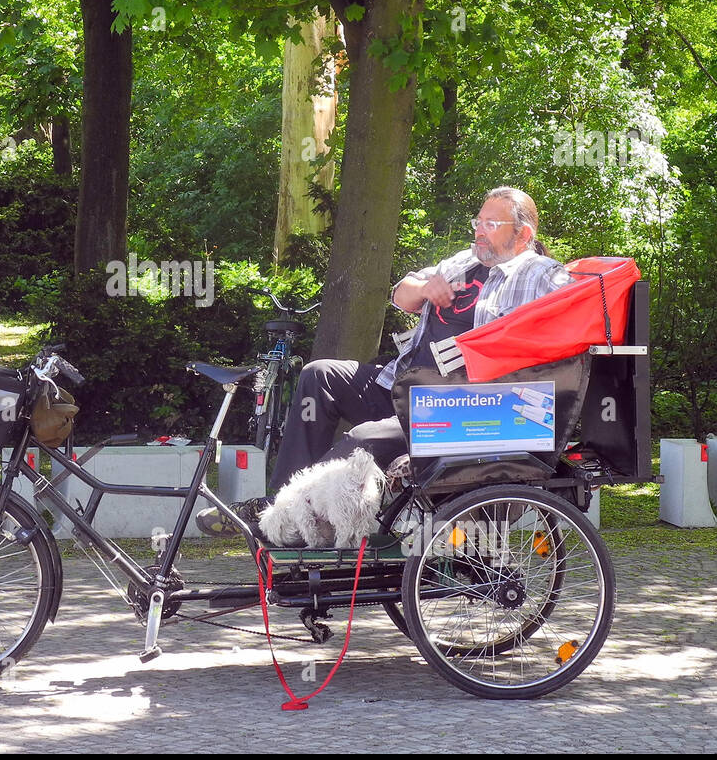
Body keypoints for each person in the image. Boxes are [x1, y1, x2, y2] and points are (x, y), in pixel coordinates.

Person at [198, 186, 573, 536]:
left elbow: (575, 316)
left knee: (362, 439)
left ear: (523, 236)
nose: (479, 231)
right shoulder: (463, 261)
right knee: (319, 374)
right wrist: (425, 288)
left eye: (492, 224)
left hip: (453, 408)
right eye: (478, 222)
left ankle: (285, 513)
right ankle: (282, 502)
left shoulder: (539, 274)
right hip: (398, 383)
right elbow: (402, 294)